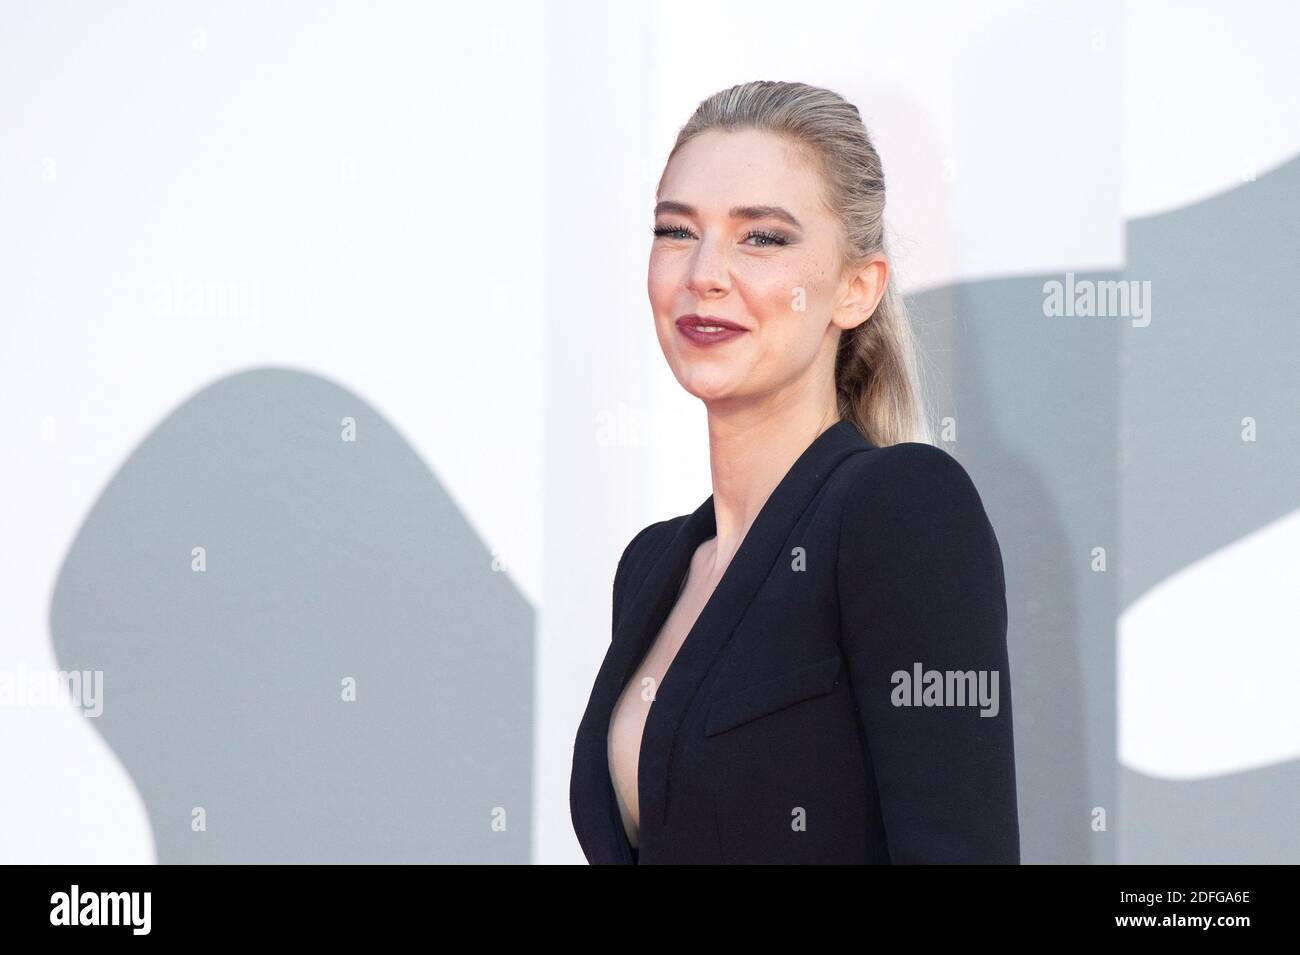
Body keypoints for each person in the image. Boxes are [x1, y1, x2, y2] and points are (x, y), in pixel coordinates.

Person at [569, 80, 1019, 864]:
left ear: (855, 288)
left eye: (762, 238)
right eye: (676, 231)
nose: (704, 272)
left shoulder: (901, 508)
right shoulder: (650, 568)